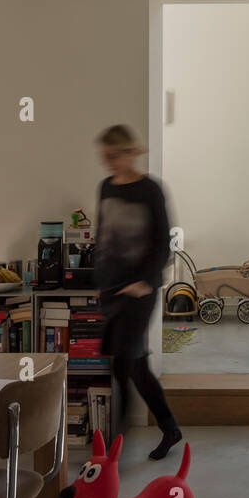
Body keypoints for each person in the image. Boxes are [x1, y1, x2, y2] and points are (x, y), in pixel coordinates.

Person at [94, 125, 182, 461]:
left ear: (130, 152)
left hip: (141, 290)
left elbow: (164, 243)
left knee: (127, 362)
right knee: (129, 366)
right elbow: (102, 239)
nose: (109, 162)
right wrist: (101, 284)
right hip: (113, 289)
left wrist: (145, 281)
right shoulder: (105, 188)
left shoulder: (150, 189)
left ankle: (114, 447)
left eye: (114, 155)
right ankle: (169, 428)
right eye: (104, 157)